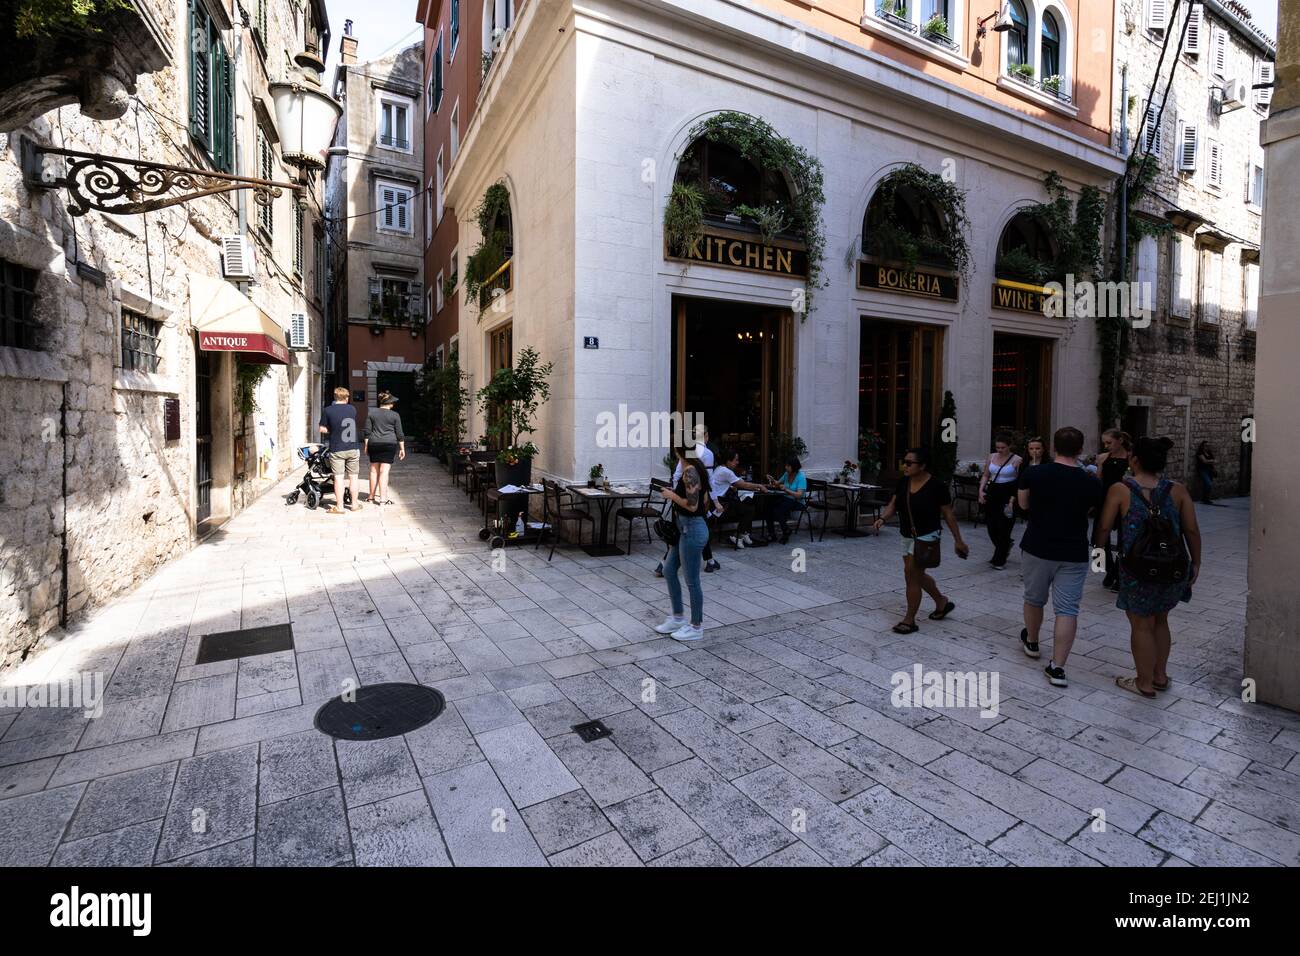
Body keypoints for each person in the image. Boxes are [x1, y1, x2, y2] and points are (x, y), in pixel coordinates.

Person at [1094, 436, 1201, 697]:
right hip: (1173, 566)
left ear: (1134, 461)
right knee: (1162, 619)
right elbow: (1191, 529)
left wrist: (1097, 552)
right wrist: (1196, 562)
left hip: (1136, 568)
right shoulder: (1178, 490)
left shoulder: (1121, 490)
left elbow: (1105, 526)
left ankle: (1143, 682)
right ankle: (1160, 676)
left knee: (1141, 623)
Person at [1015, 426, 1103, 687]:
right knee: (1067, 609)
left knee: (1034, 598)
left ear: (1053, 448)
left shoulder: (1034, 473)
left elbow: (1023, 505)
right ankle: (1058, 667)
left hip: (1037, 546)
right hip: (1073, 550)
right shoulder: (1091, 481)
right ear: (1080, 450)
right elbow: (1089, 510)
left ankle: (1031, 640)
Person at [872, 447, 969, 633]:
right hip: (906, 534)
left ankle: (909, 620)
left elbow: (948, 514)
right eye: (904, 462)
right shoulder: (903, 482)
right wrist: (883, 518)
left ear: (922, 466)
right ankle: (941, 601)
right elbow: (894, 504)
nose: (904, 466)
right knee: (914, 574)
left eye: (909, 463)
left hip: (927, 536)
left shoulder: (937, 486)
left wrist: (959, 540)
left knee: (912, 575)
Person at [653, 446, 713, 641]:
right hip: (686, 529)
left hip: (692, 530)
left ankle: (696, 627)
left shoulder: (690, 472)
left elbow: (693, 505)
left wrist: (671, 496)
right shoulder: (695, 468)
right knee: (669, 570)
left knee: (692, 580)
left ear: (679, 453)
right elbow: (699, 500)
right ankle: (678, 617)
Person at [1094, 428, 1132, 589]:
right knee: (1097, 540)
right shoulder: (1104, 457)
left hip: (1125, 502)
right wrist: (1100, 465)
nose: (1106, 446)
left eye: (1109, 442)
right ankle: (1107, 570)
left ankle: (1119, 573)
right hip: (1105, 500)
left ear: (1120, 440)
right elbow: (1098, 480)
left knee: (1125, 539)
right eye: (1104, 443)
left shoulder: (1131, 458)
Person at [979, 432, 1022, 569]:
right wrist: (981, 491)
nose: (1000, 450)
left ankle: (999, 559)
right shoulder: (991, 457)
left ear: (1010, 446)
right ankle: (1004, 547)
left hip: (1008, 493)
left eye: (1003, 447)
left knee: (1004, 527)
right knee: (991, 526)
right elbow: (986, 475)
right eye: (998, 447)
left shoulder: (1017, 460)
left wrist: (1013, 498)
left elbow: (1020, 481)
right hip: (993, 492)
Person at [710, 450, 767, 548]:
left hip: (717, 503)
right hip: (720, 507)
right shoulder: (726, 471)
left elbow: (724, 484)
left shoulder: (719, 469)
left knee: (746, 506)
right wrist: (760, 486)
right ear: (728, 461)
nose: (737, 462)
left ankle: (743, 534)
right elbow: (743, 484)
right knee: (749, 509)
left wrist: (731, 486)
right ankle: (738, 536)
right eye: (735, 460)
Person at [319, 387, 362, 515]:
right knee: (354, 477)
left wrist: (332, 430)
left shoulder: (328, 410)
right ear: (347, 398)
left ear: (335, 397)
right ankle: (354, 504)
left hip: (337, 448)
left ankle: (340, 507)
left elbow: (322, 429)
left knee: (339, 478)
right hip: (353, 448)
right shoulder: (352, 409)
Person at [364, 392, 406, 506]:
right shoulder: (395, 415)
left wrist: (366, 446)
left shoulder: (371, 413)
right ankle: (383, 499)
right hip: (389, 443)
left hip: (374, 443)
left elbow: (367, 432)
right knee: (384, 472)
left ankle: (371, 496)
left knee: (373, 471)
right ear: (390, 403)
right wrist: (402, 448)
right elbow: (399, 433)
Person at [766, 455, 807, 544]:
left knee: (779, 510)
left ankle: (785, 531)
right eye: (786, 465)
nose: (786, 467)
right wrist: (773, 480)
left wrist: (786, 489)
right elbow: (778, 484)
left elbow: (799, 495)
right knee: (768, 508)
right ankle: (772, 534)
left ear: (794, 466)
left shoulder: (801, 477)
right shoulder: (786, 474)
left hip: (797, 501)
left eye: (788, 466)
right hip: (786, 498)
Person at [1195, 441, 1221, 505]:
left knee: (1207, 485)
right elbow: (1204, 461)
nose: (1207, 447)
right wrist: (1212, 461)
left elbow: (1212, 461)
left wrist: (1213, 467)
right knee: (1208, 484)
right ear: (1202, 446)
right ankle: (1205, 499)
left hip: (1210, 470)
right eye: (1206, 445)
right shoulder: (1200, 453)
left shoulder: (1209, 452)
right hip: (1203, 470)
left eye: (1208, 445)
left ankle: (1206, 499)